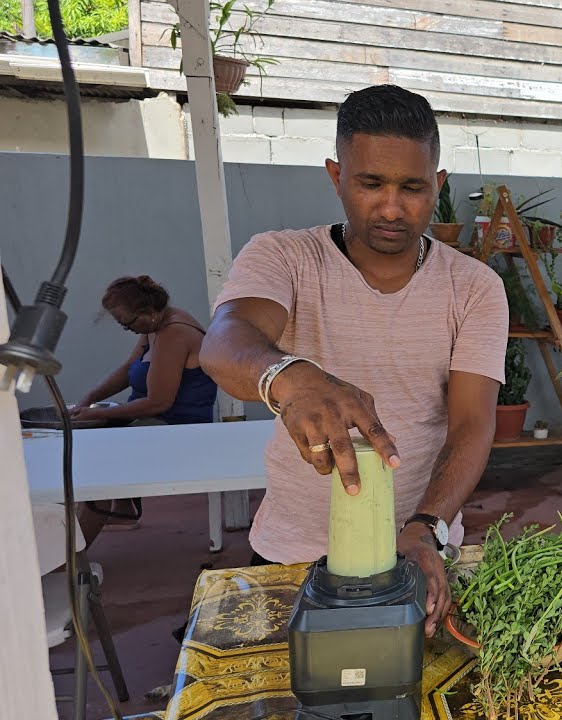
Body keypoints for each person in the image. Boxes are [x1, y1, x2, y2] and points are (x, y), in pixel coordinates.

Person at [199, 84, 507, 638]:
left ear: (437, 186)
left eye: (412, 187)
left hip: (420, 550)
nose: (392, 207)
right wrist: (289, 377)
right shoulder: (284, 257)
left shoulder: (474, 288)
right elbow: (224, 342)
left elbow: (472, 424)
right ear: (336, 176)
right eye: (371, 184)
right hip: (293, 555)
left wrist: (426, 527)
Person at [71, 275, 218, 541]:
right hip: (153, 419)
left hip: (178, 428)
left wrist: (99, 413)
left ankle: (73, 555)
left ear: (147, 313)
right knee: (87, 430)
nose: (127, 329)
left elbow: (158, 402)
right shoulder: (154, 325)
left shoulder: (174, 333)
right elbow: (128, 371)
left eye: (127, 324)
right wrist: (89, 399)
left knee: (101, 462)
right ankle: (122, 510)